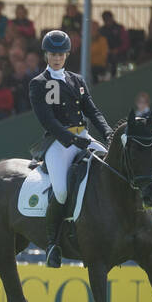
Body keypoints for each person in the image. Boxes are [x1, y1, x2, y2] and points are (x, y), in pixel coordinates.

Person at [29, 29, 112, 268]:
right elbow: (48, 121)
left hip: (84, 137)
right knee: (63, 190)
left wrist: (107, 132)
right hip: (59, 143)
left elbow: (92, 111)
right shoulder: (39, 84)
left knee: (111, 168)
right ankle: (53, 243)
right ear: (46, 54)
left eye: (61, 53)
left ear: (66, 55)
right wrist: (72, 140)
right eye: (53, 53)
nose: (57, 57)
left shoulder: (77, 80)